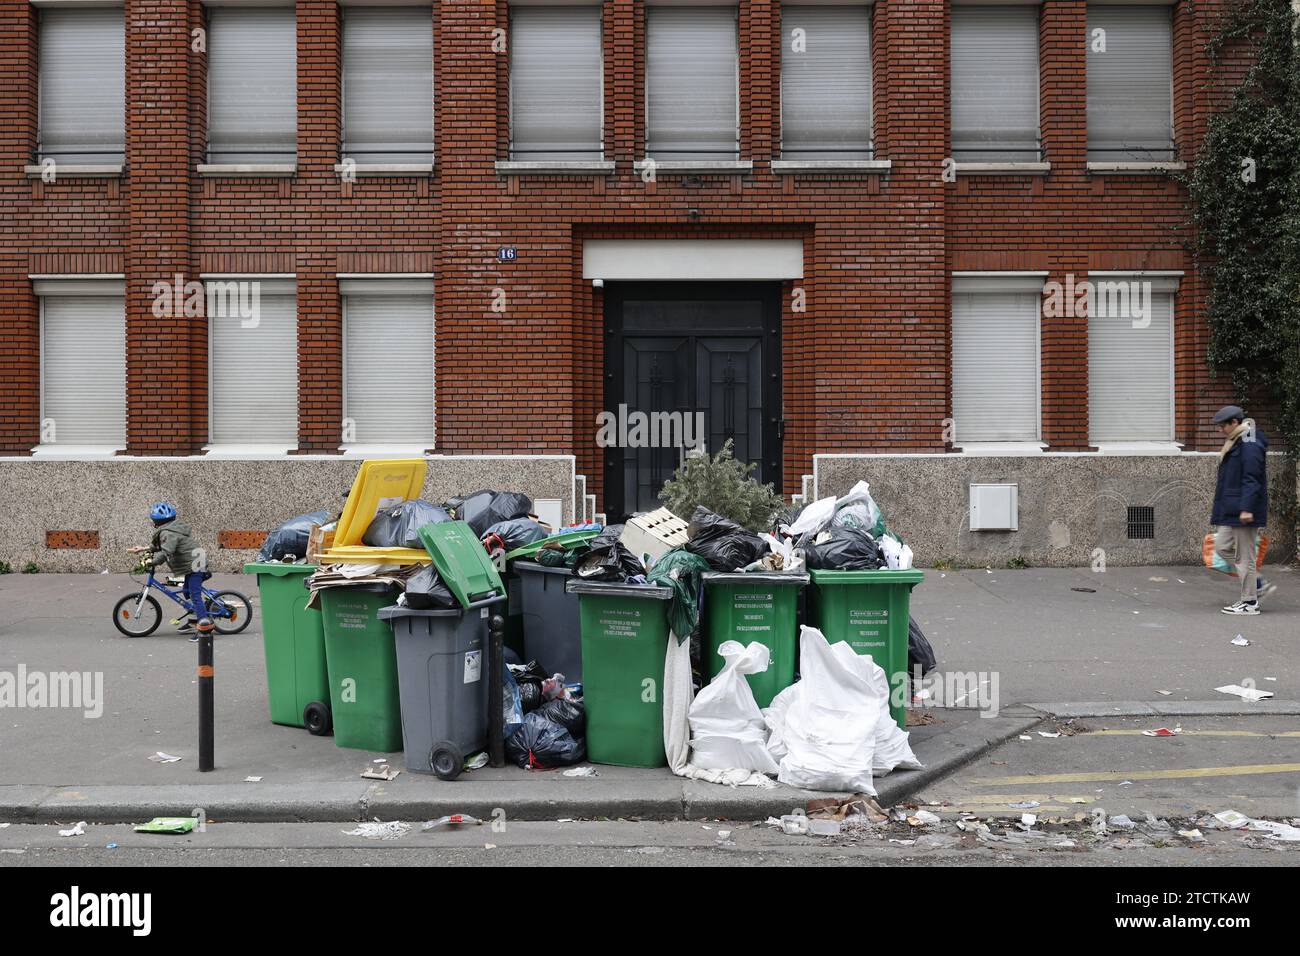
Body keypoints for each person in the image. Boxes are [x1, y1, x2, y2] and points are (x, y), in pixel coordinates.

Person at [1209, 406, 1275, 615]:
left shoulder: (1250, 443)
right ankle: (1257, 584)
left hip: (1244, 510)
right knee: (1221, 547)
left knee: (1244, 557)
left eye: (1222, 426)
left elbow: (1252, 478)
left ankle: (1249, 603)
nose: (1220, 430)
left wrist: (1246, 508)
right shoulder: (1237, 440)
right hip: (1232, 507)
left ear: (1235, 423)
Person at [129, 503, 212, 640]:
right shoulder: (170, 530)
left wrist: (152, 562)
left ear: (156, 521)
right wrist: (143, 549)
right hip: (194, 562)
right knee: (186, 592)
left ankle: (205, 628)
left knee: (194, 595)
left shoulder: (168, 532)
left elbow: (166, 551)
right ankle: (193, 621)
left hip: (196, 565)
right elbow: (161, 545)